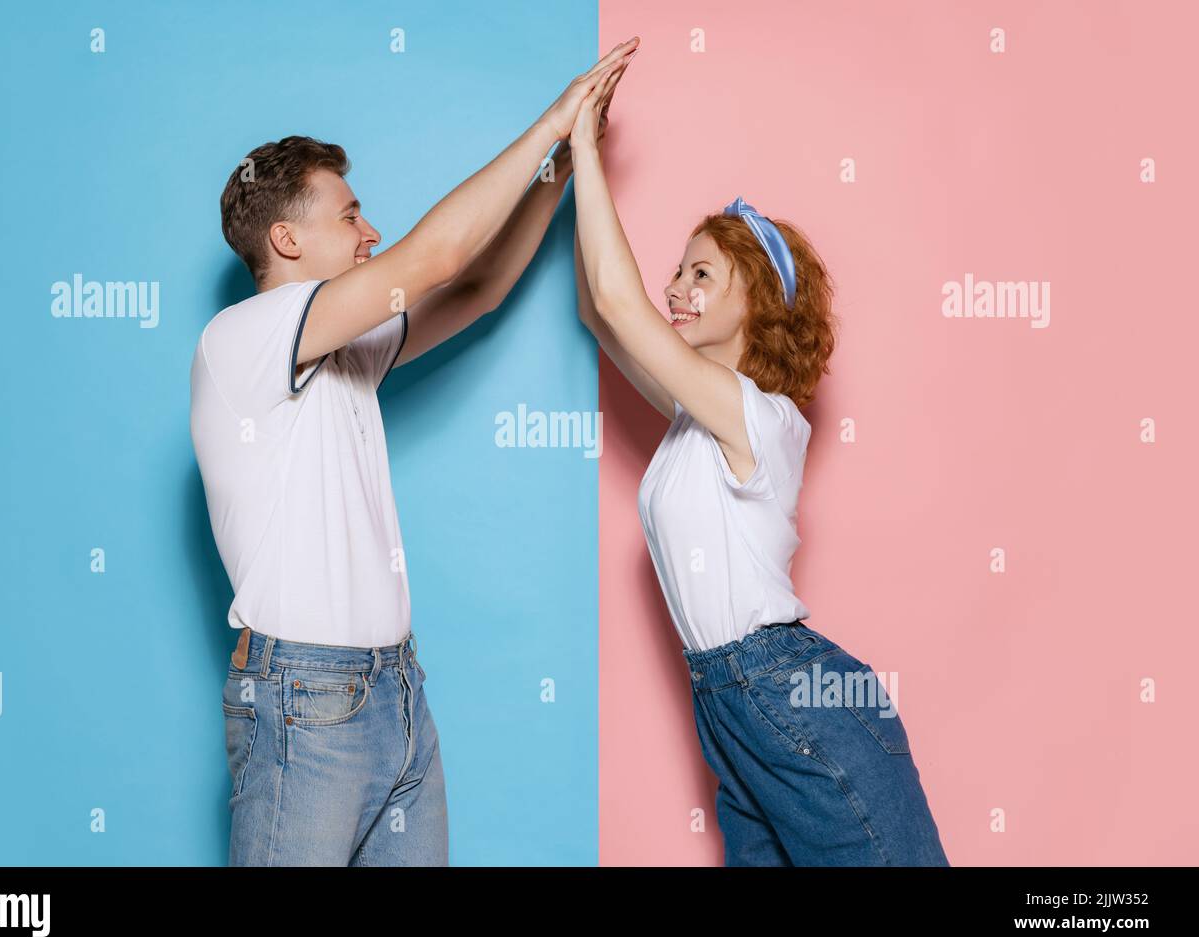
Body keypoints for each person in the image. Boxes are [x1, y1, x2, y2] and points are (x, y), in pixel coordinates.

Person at [189, 38, 639, 866]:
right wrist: (552, 121)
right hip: (303, 700)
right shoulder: (244, 336)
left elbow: (476, 288)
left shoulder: (347, 349)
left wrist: (565, 166)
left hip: (395, 690)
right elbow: (435, 258)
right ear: (285, 239)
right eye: (349, 215)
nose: (371, 232)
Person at [567, 51, 950, 866]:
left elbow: (620, 304)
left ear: (757, 301)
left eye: (701, 273)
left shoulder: (760, 417)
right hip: (729, 702)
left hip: (788, 688)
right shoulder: (694, 416)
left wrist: (583, 149)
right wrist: (572, 169)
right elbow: (602, 312)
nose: (676, 286)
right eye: (677, 269)